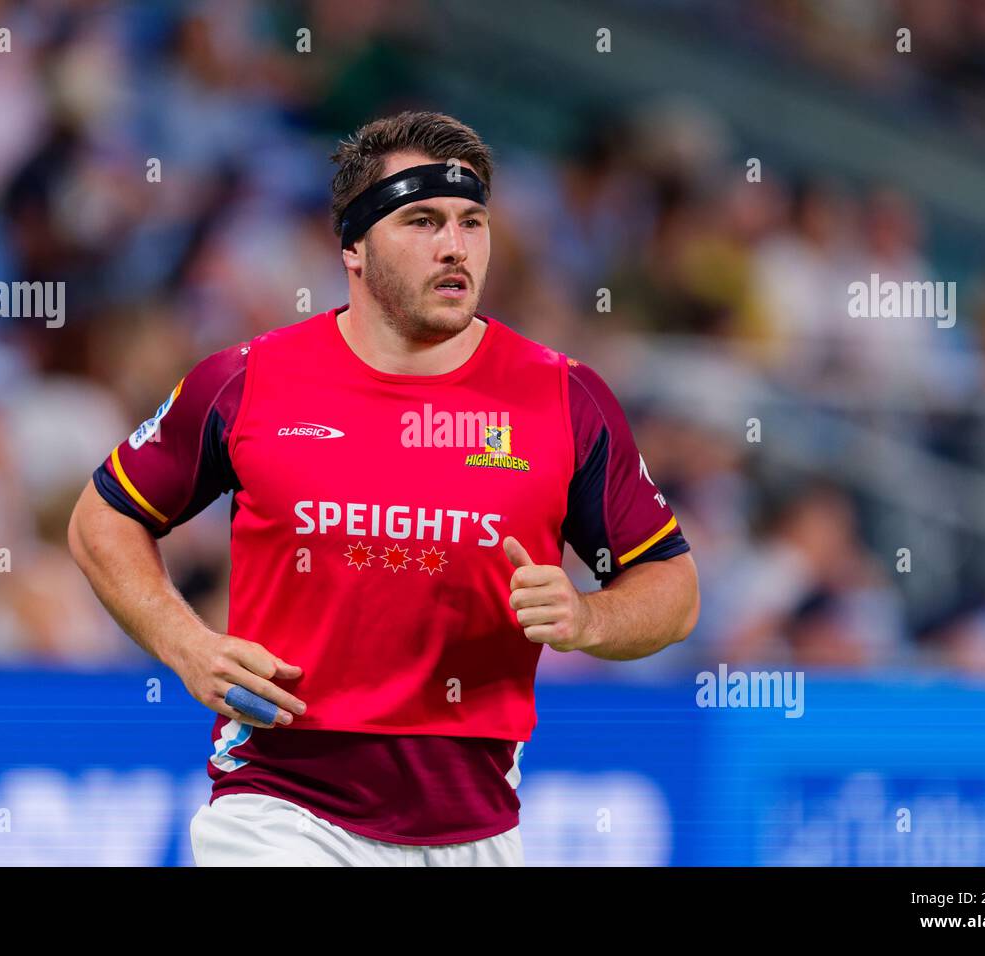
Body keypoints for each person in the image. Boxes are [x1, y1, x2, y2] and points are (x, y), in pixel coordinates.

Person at [68, 111, 699, 866]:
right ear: (355, 247)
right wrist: (184, 644)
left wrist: (588, 616)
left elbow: (675, 588)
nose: (455, 246)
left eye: (472, 222)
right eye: (424, 220)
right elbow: (101, 517)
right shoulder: (247, 382)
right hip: (280, 810)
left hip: (476, 826)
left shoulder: (564, 398)